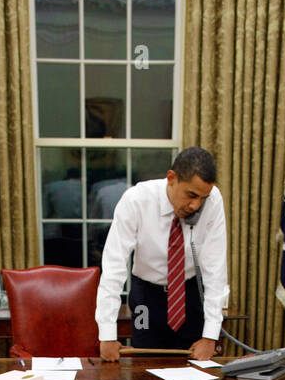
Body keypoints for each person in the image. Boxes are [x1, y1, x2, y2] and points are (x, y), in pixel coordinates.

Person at [95, 146, 229, 362]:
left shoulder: (212, 201)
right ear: (171, 178)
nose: (195, 205)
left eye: (202, 198)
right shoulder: (136, 200)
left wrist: (210, 335)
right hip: (146, 297)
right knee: (144, 375)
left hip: (190, 294)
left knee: (192, 379)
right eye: (191, 195)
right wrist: (107, 334)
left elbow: (216, 269)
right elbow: (114, 267)